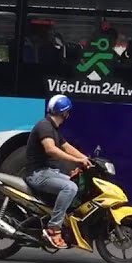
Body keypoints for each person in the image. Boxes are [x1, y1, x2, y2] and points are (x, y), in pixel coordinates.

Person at [23, 94, 91, 249]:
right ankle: (54, 228)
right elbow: (51, 149)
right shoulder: (44, 126)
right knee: (70, 187)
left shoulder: (52, 128)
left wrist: (86, 159)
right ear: (65, 113)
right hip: (37, 174)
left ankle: (55, 218)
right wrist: (76, 161)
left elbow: (66, 146)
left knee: (73, 182)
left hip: (46, 171)